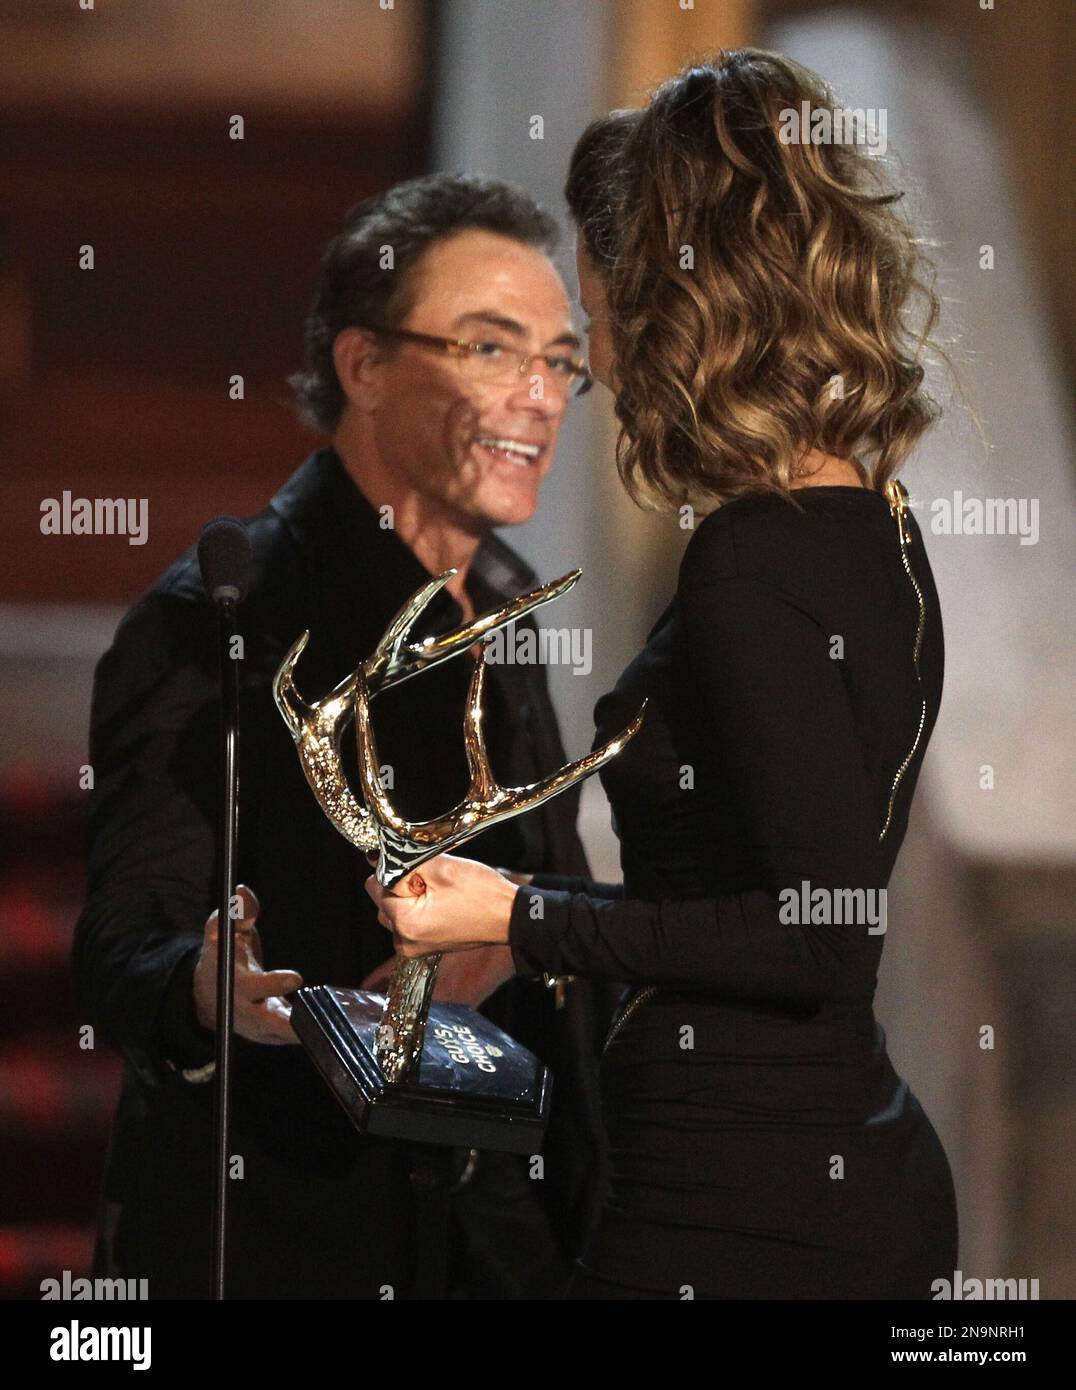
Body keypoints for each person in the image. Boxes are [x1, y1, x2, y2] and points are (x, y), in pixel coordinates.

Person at [366, 52, 961, 1299]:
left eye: (597, 314)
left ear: (671, 300)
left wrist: (511, 914)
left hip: (744, 1205)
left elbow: (819, 934)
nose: (595, 364)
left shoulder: (749, 560)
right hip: (813, 1169)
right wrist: (533, 949)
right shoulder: (870, 524)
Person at [73, 173, 619, 1299]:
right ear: (362, 365)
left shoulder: (504, 612)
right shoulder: (221, 619)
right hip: (286, 1232)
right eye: (488, 348)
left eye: (560, 360)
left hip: (496, 1240)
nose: (539, 395)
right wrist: (208, 988)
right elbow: (127, 944)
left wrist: (525, 938)